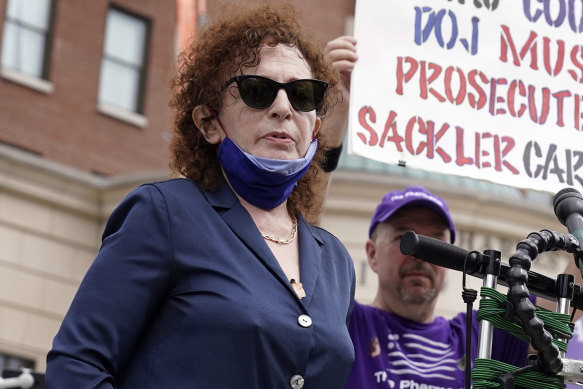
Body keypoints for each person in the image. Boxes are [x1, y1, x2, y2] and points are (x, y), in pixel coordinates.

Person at [45, 5, 356, 388]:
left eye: (301, 94)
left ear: (315, 128)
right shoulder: (165, 214)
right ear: (209, 123)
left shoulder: (336, 260)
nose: (282, 108)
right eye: (258, 91)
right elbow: (77, 366)